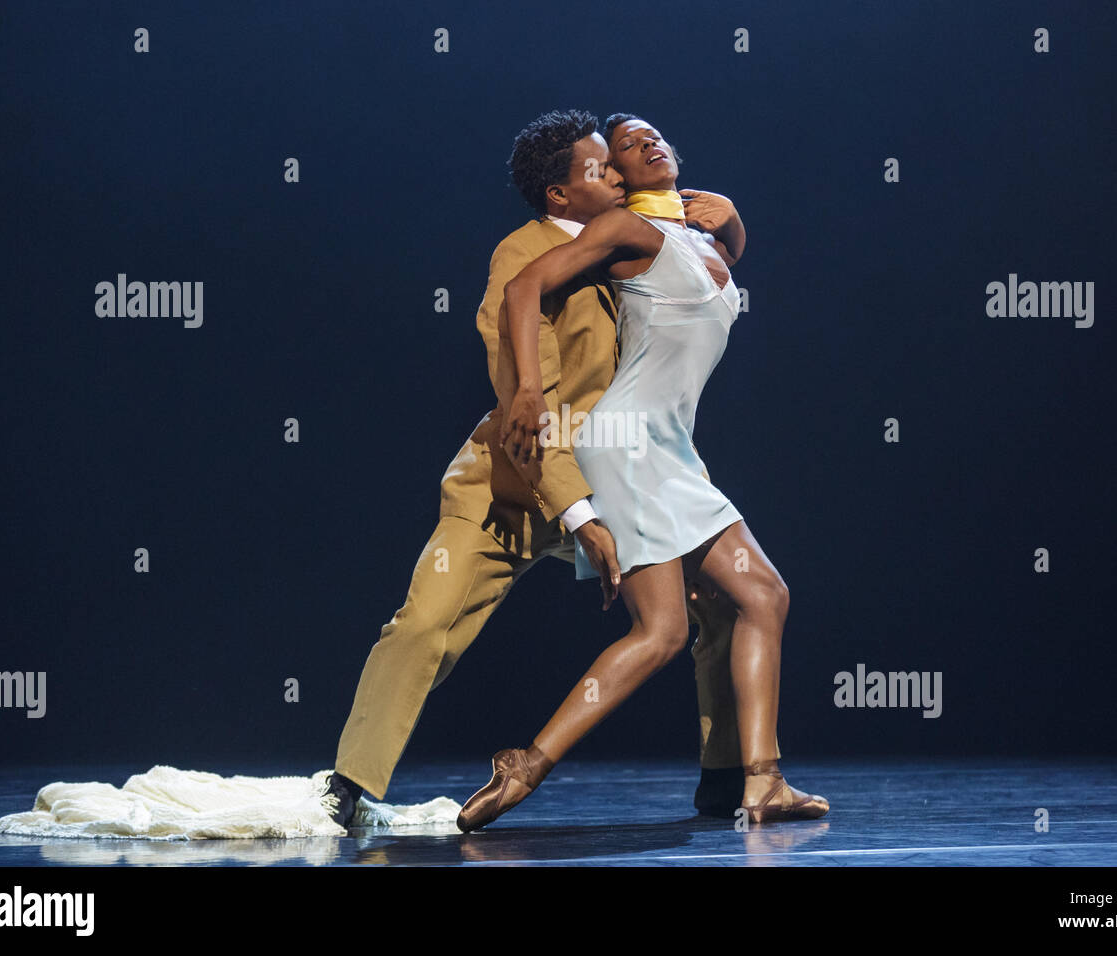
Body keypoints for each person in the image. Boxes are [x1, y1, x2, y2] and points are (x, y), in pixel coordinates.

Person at [322, 110, 756, 827]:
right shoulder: (522, 256)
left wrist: (732, 222)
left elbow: (706, 275)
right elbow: (533, 409)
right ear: (558, 196)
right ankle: (350, 783)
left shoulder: (619, 242)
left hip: (623, 471)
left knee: (722, 600)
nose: (618, 175)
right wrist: (581, 516)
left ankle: (724, 774)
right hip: (516, 486)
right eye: (600, 169)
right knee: (427, 621)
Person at [456, 115, 829, 830]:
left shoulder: (700, 239)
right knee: (662, 632)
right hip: (627, 443)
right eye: (627, 145)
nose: (646, 143)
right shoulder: (626, 232)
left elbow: (716, 280)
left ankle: (763, 781)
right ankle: (524, 767)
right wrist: (529, 389)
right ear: (618, 176)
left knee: (760, 596)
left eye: (654, 135)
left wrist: (738, 224)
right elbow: (523, 288)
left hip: (669, 448)